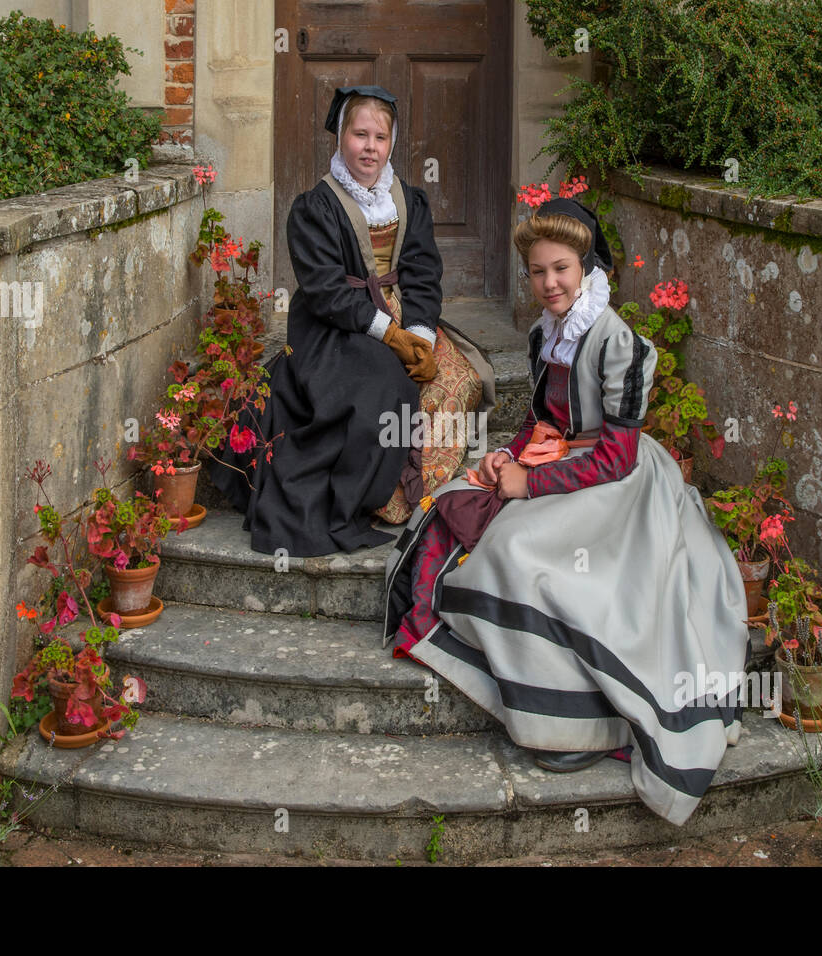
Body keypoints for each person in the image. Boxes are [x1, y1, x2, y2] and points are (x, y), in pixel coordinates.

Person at [380, 198, 752, 826]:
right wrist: (505, 458)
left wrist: (533, 482)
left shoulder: (619, 344)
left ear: (586, 268)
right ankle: (542, 697)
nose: (548, 283)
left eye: (561, 269)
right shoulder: (541, 337)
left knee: (522, 553)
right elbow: (540, 420)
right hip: (559, 466)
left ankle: (574, 723)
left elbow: (615, 455)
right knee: (451, 501)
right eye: (537, 271)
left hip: (622, 484)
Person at [210, 85, 494, 557]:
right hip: (337, 324)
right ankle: (377, 497)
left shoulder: (411, 201)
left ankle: (414, 493)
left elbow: (424, 271)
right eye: (360, 134)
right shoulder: (313, 207)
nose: (370, 147)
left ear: (392, 143)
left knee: (462, 378)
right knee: (384, 388)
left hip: (404, 315)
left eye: (380, 137)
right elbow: (324, 289)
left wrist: (420, 333)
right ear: (341, 137)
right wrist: (389, 336)